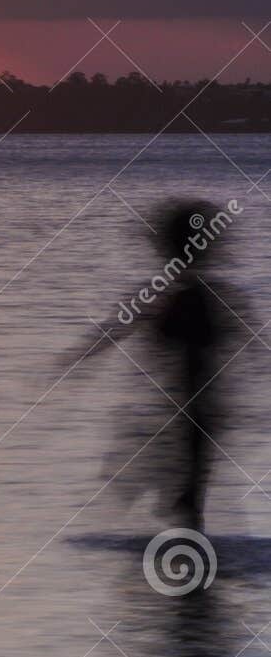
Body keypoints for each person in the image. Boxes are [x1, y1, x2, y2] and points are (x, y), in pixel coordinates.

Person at [61, 199, 243, 532]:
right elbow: (113, 330)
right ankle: (188, 563)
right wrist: (76, 359)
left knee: (171, 499)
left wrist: (74, 361)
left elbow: (112, 331)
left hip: (185, 416)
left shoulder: (169, 295)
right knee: (180, 501)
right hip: (195, 415)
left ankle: (183, 564)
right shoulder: (209, 296)